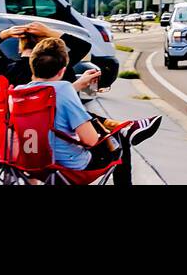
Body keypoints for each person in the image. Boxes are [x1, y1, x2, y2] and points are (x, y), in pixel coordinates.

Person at [25, 37, 160, 184]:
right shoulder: (64, 90)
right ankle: (124, 130)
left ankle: (125, 128)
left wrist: (75, 87)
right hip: (69, 167)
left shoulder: (19, 94)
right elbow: (90, 140)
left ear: (32, 67)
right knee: (120, 141)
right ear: (63, 71)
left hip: (34, 165)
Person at [0, 20, 92, 89]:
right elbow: (83, 46)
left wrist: (7, 33)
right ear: (46, 45)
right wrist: (49, 32)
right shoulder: (59, 65)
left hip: (22, 124)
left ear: (20, 48)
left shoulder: (6, 68)